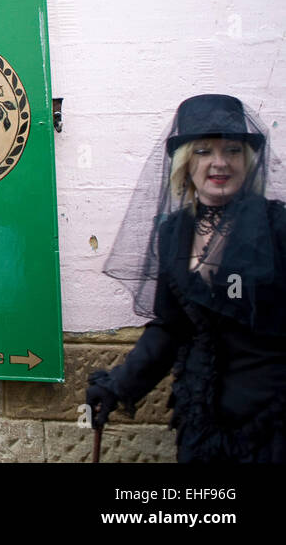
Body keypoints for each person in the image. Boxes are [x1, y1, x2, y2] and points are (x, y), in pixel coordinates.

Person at [87, 94, 286, 462]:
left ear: (249, 160)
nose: (220, 163)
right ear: (185, 163)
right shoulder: (174, 232)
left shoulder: (278, 226)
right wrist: (118, 385)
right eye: (204, 151)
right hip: (201, 421)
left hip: (272, 422)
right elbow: (171, 326)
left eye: (232, 150)